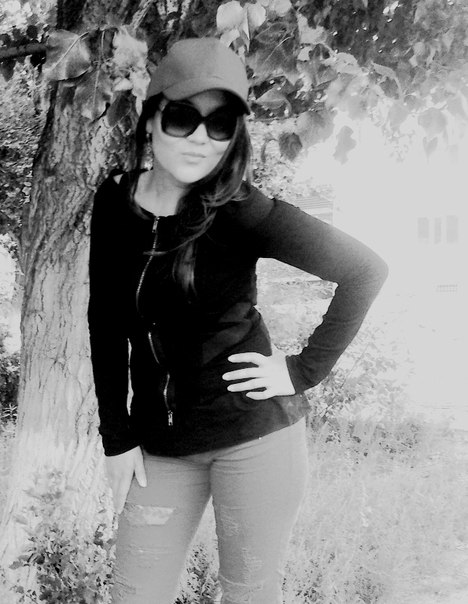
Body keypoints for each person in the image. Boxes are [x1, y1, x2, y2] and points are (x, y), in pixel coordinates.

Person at [88, 37, 388, 604]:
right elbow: (105, 322)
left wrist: (302, 370)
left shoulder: (243, 212)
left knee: (249, 594)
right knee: (134, 593)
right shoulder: (114, 202)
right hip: (159, 447)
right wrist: (116, 438)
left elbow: (365, 270)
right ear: (150, 119)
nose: (200, 137)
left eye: (220, 123)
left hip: (254, 439)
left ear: (234, 135)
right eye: (182, 117)